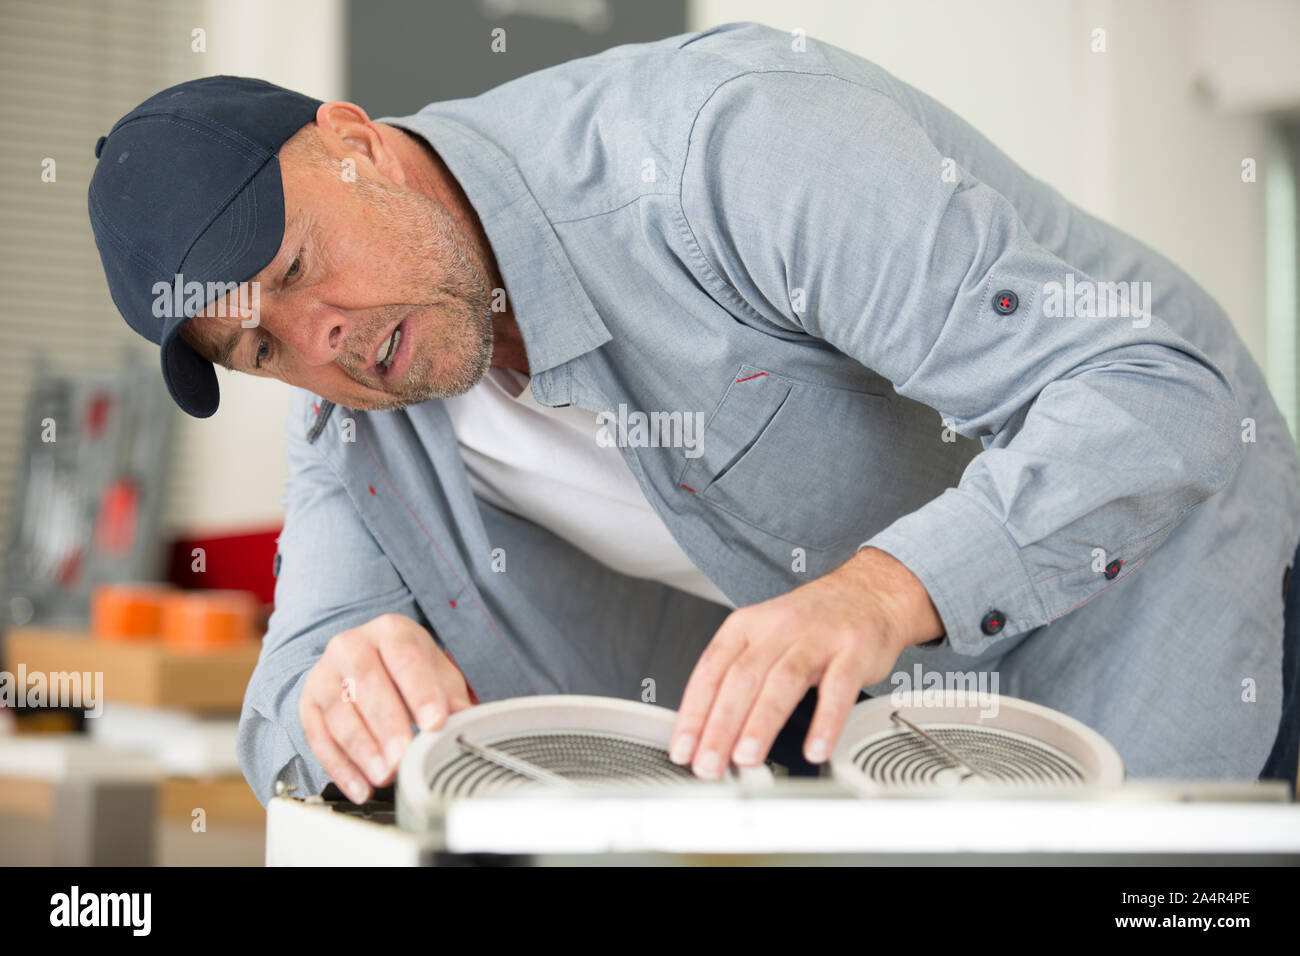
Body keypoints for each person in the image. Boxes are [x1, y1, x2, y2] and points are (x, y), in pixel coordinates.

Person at [88, 22, 1300, 805]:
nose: (320, 342)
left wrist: (879, 591)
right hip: (928, 745)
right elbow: (289, 688)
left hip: (1176, 601)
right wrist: (332, 686)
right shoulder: (356, 407)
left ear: (353, 141)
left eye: (298, 266)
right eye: (257, 345)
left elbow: (1157, 393)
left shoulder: (730, 147)